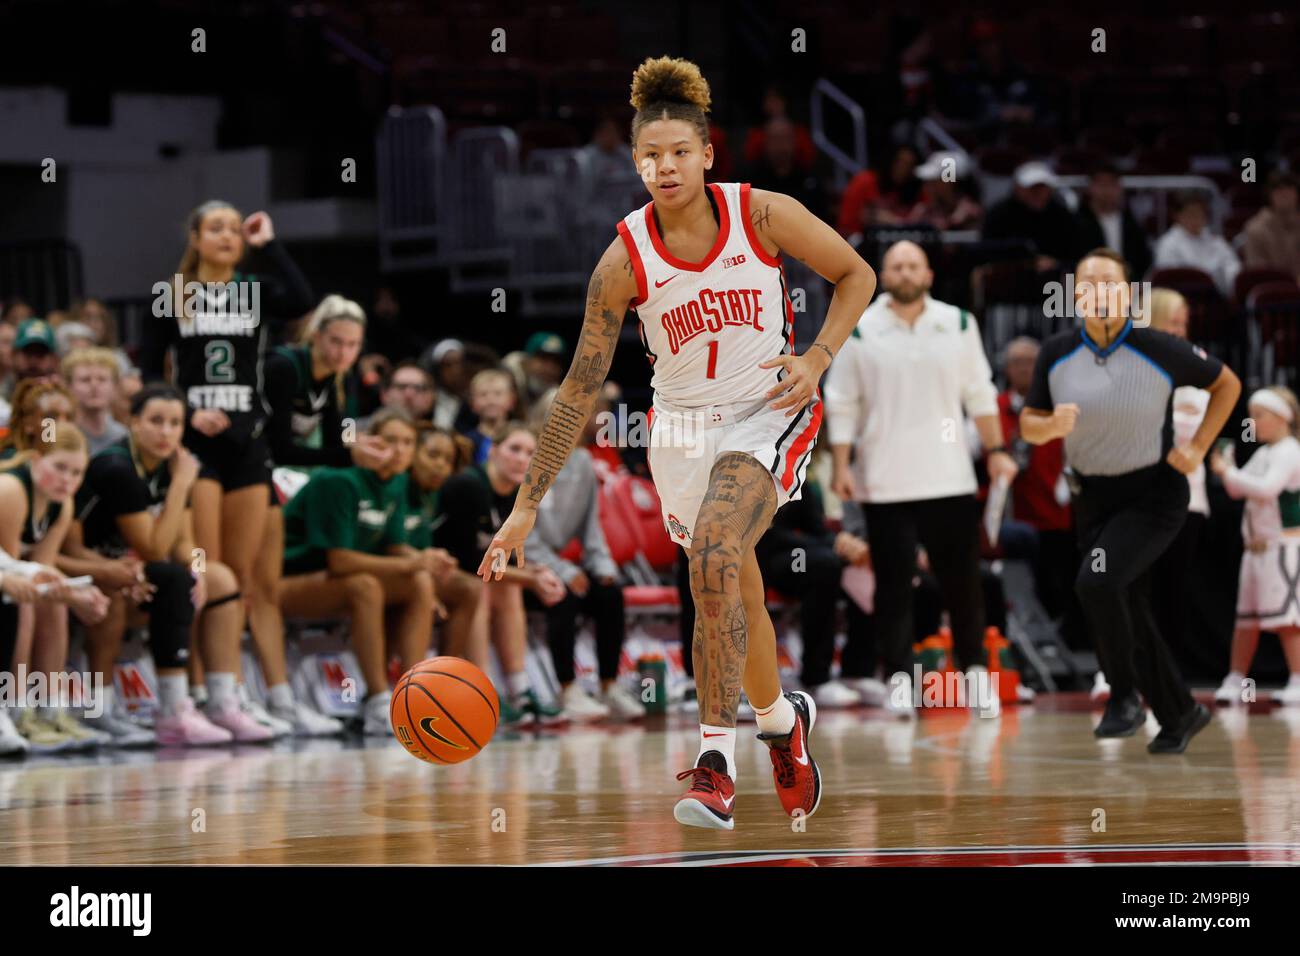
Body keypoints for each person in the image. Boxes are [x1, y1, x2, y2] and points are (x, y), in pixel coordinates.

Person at [478, 56, 877, 830]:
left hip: (769, 407)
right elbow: (576, 391)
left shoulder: (761, 214)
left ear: (706, 156)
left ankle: (715, 765)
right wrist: (527, 508)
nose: (664, 167)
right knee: (732, 587)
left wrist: (819, 357)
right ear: (636, 163)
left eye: (678, 153)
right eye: (649, 157)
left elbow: (854, 274)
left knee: (720, 548)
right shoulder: (623, 260)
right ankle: (778, 722)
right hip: (682, 429)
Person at [1020, 248, 1241, 752]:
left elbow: (1227, 383)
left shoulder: (1158, 346)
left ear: (1128, 296)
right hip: (1092, 498)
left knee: (1097, 583)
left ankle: (1123, 698)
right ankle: (1180, 712)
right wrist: (1050, 426)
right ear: (1075, 296)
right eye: (1087, 285)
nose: (1097, 294)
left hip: (1153, 494)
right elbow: (1031, 423)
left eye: (1109, 285)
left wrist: (1200, 447)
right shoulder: (1055, 352)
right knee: (1126, 603)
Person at [140, 200, 314, 730]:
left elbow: (302, 300)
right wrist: (190, 410)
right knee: (202, 574)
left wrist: (271, 245)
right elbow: (152, 375)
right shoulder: (172, 296)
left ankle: (229, 692)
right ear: (193, 237)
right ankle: (189, 693)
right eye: (215, 228)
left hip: (248, 442)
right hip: (196, 445)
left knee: (237, 577)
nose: (226, 237)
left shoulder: (255, 293)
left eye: (235, 231)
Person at [827, 240, 1016, 717]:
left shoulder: (957, 322)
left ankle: (975, 675)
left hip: (949, 475)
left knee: (963, 583)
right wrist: (843, 465)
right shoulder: (860, 329)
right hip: (883, 479)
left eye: (913, 265)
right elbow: (842, 401)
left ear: (929, 274)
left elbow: (980, 393)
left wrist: (995, 451)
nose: (905, 272)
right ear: (883, 275)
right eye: (896, 266)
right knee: (893, 586)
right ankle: (897, 681)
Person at [61, 385, 273, 746]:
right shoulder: (119, 468)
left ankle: (222, 700)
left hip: (135, 572)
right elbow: (154, 548)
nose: (166, 432)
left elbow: (185, 541)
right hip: (87, 569)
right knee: (144, 587)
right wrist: (181, 486)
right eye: (156, 421)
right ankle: (107, 711)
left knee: (218, 578)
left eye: (175, 423)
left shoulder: (174, 466)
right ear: (133, 423)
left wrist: (199, 567)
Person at [254, 294, 388, 735]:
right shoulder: (282, 368)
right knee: (254, 587)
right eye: (335, 342)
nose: (343, 353)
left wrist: (354, 451)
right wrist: (353, 455)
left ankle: (373, 698)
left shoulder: (336, 380)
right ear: (316, 335)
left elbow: (333, 449)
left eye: (352, 345)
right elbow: (280, 446)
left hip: (280, 478)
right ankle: (258, 696)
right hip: (251, 473)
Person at [278, 409, 441, 736]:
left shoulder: (396, 481)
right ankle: (379, 702)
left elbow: (395, 546)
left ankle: (411, 694)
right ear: (368, 442)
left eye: (408, 442)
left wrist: (426, 559)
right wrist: (410, 563)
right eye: (390, 440)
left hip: (337, 580)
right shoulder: (339, 479)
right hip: (288, 578)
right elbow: (339, 561)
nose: (399, 449)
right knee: (366, 586)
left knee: (419, 582)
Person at [522, 395, 642, 721]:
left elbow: (592, 526)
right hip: (522, 562)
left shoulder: (583, 463)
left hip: (555, 562)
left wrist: (602, 567)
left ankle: (608, 683)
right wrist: (561, 569)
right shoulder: (529, 460)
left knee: (609, 593)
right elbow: (523, 535)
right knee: (564, 594)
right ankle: (567, 688)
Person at [440, 423, 566, 726]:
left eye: (530, 454)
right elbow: (469, 561)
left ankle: (519, 688)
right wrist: (530, 578)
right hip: (441, 570)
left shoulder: (517, 497)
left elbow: (502, 561)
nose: (522, 459)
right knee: (482, 586)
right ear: (493, 451)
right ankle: (483, 690)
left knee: (506, 586)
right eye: (514, 449)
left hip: (472, 574)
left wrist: (535, 572)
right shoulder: (468, 485)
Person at [0, 423, 112, 752]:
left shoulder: (61, 503)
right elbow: (12, 569)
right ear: (36, 461)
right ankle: (16, 709)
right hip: (6, 580)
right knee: (23, 601)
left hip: (9, 574)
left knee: (51, 603)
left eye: (77, 473)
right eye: (60, 468)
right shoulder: (10, 490)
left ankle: (51, 709)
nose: (68, 480)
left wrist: (73, 595)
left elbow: (41, 572)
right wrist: (70, 592)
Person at [1209, 386, 1300, 706]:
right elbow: (1237, 490)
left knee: (1288, 618)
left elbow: (1267, 488)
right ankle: (1235, 679)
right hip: (1254, 550)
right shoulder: (1264, 452)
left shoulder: (1290, 450)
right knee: (1246, 619)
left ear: (1282, 417)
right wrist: (1227, 468)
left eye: (1259, 416)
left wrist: (1229, 472)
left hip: (1283, 548)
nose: (1253, 423)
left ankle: (1298, 679)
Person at [1146, 288, 1216, 681]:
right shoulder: (1129, 365)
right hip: (1137, 496)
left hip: (1187, 498)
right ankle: (1123, 671)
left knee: (1173, 590)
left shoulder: (1200, 365)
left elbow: (1211, 420)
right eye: (1172, 320)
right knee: (1133, 587)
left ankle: (1166, 676)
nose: (1180, 329)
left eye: (1183, 322)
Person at [405, 425, 483, 667]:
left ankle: (445, 673)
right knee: (423, 585)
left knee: (471, 587)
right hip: (388, 567)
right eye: (432, 455)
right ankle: (411, 683)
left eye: (447, 460)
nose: (440, 465)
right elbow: (389, 546)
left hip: (411, 568)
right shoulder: (398, 484)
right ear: (413, 453)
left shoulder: (433, 494)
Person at [982, 162, 1078, 273]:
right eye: (1032, 188)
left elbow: (1075, 253)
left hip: (1054, 279)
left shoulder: (1062, 216)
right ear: (1018, 188)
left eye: (1042, 188)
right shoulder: (999, 215)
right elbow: (988, 250)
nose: (1038, 193)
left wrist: (1056, 263)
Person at [1073, 162, 1152, 282]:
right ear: (1090, 188)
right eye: (1102, 184)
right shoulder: (1076, 223)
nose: (1107, 190)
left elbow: (1143, 259)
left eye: (1111, 184)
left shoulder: (1130, 223)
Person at [1152, 191, 1241, 298]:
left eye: (1199, 213)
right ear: (1177, 215)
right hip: (1180, 300)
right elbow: (1168, 279)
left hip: (1215, 299)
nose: (1195, 218)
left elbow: (1234, 272)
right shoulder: (1167, 244)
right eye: (1190, 213)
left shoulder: (1217, 242)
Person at [62, 348, 129, 456]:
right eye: (85, 379)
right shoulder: (58, 434)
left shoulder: (123, 435)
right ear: (68, 387)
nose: (94, 386)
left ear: (115, 386)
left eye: (102, 379)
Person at [1241, 171, 1300, 281]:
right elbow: (1258, 272)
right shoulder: (1255, 229)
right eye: (1279, 189)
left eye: (1289, 188)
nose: (1284, 194)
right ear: (1270, 194)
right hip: (1273, 290)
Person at [464, 368, 518, 466]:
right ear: (472, 402)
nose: (491, 400)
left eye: (498, 394)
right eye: (483, 394)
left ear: (511, 400)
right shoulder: (466, 442)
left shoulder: (521, 437)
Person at [11, 319, 62, 384]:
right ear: (14, 355)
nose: (33, 361)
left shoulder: (64, 391)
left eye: (41, 354)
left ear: (53, 359)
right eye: (28, 353)